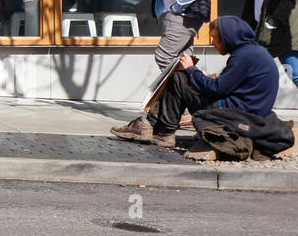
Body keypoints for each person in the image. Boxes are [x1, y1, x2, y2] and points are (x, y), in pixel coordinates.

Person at [112, 16, 278, 148]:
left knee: (178, 78)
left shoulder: (244, 56)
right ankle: (154, 126)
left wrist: (192, 70)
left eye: (215, 39)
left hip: (236, 114)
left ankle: (161, 131)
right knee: (185, 79)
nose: (212, 43)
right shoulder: (253, 52)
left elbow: (217, 89)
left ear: (228, 37)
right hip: (247, 111)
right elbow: (227, 86)